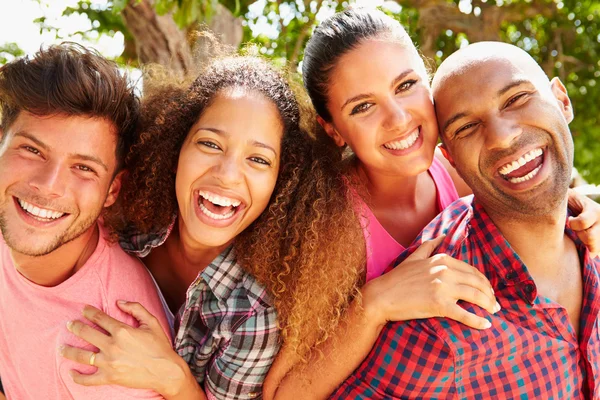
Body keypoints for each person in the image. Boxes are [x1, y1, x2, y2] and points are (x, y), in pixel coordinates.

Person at [264, 8, 600, 399]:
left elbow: (534, 196)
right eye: (362, 107)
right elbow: (283, 393)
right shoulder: (334, 227)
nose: (399, 118)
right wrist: (376, 303)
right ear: (334, 130)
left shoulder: (455, 170)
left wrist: (580, 213)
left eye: (405, 85)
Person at [58, 54, 366, 399]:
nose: (227, 174)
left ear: (281, 184)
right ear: (175, 151)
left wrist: (173, 378)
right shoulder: (119, 219)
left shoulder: (253, 312)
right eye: (209, 144)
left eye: (258, 159)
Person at [0, 44, 171, 399]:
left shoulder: (107, 350)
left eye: (83, 168)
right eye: (32, 150)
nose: (47, 187)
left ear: (112, 191)